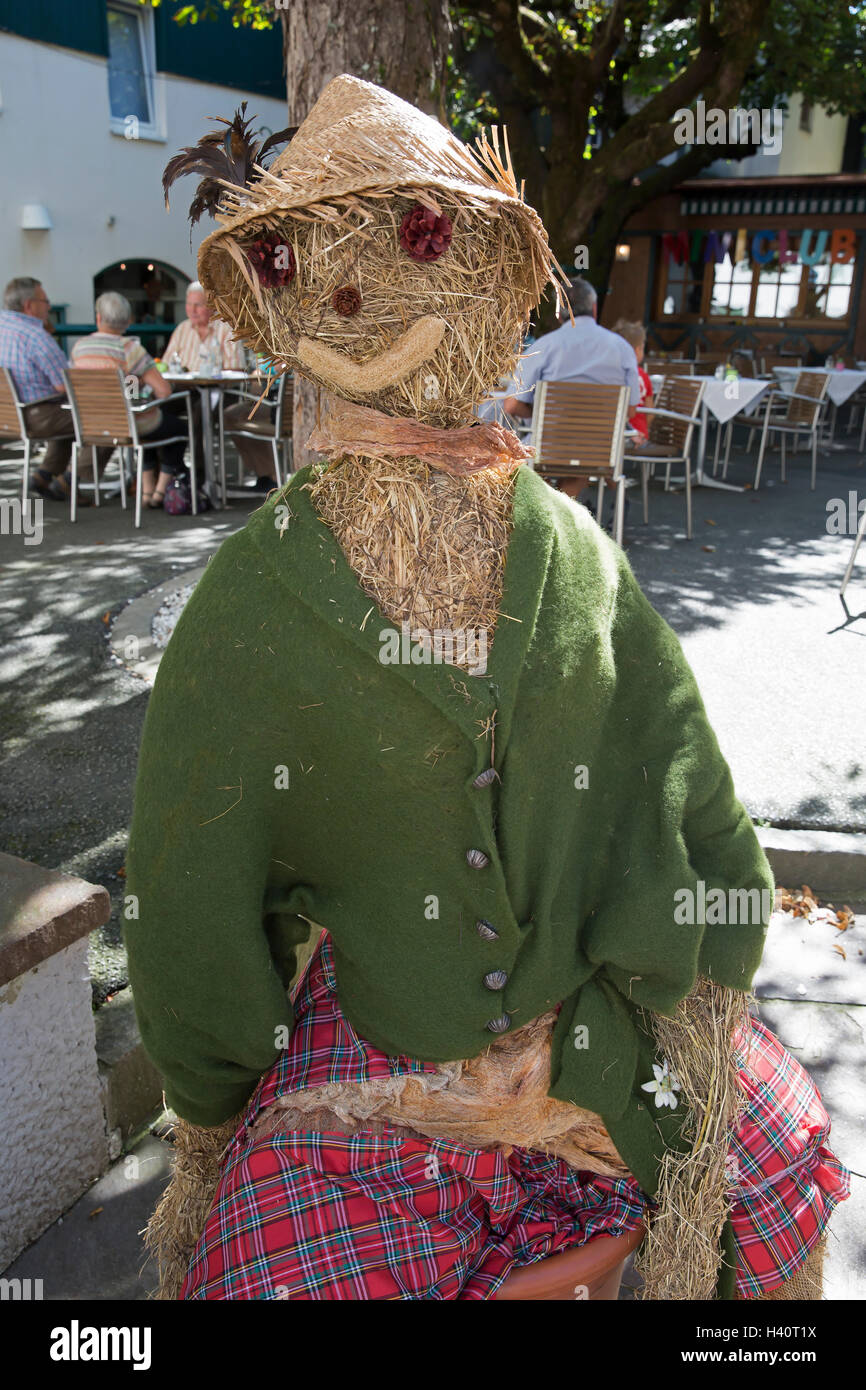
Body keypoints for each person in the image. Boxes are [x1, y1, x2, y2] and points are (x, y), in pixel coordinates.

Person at [126, 75, 848, 1303]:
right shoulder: (255, 601)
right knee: (267, 1271)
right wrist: (211, 1104)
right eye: (310, 261)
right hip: (379, 1058)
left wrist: (710, 972)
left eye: (412, 240)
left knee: (775, 1184)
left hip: (603, 1026)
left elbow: (685, 774)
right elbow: (190, 891)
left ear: (488, 284)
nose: (355, 293)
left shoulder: (569, 556)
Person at [503, 278, 640, 504]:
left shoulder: (544, 346)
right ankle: (562, 509)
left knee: (533, 457)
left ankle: (548, 511)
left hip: (548, 446)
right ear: (595, 309)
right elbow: (631, 410)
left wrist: (540, 413)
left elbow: (511, 405)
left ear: (559, 314)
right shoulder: (622, 348)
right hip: (600, 450)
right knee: (581, 457)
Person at [70, 291, 191, 508]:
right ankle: (159, 492)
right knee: (177, 429)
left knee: (148, 424)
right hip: (128, 424)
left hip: (91, 424)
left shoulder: (80, 348)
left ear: (98, 318)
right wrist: (141, 382)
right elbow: (163, 392)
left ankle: (146, 491)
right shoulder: (129, 349)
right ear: (128, 321)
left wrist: (134, 385)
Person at [163, 281, 277, 490]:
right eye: (189, 305)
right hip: (186, 391)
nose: (192, 310)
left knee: (200, 413)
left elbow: (235, 369)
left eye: (198, 305)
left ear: (211, 307)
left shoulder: (225, 329)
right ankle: (169, 471)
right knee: (161, 412)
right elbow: (167, 364)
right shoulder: (182, 330)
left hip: (222, 391)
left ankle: (201, 478)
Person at [0, 276, 79, 501]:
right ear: (29, 305)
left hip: (7, 414)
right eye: (45, 301)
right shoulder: (36, 336)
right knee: (96, 417)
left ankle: (44, 475)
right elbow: (65, 385)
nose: (49, 306)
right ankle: (72, 480)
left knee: (67, 413)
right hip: (35, 415)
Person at [613, 318, 654, 440]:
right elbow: (650, 411)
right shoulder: (643, 376)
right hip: (640, 433)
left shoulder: (614, 374)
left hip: (617, 434)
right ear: (637, 351)